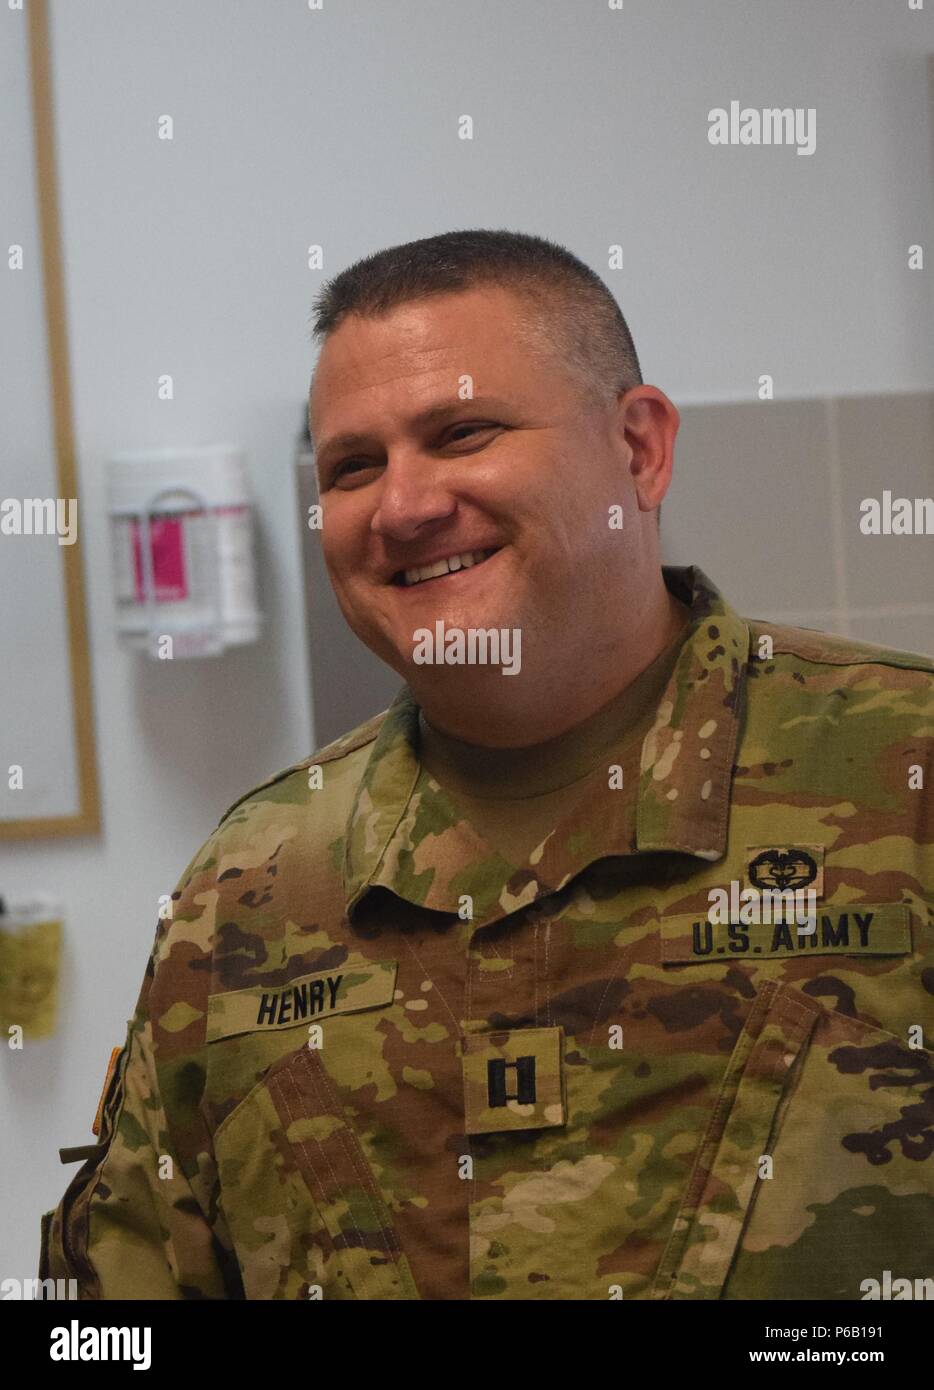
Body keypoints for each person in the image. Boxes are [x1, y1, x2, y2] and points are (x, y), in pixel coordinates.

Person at [41, 229, 934, 1300]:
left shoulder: (900, 774)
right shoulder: (244, 891)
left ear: (639, 449)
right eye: (353, 466)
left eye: (463, 432)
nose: (405, 504)